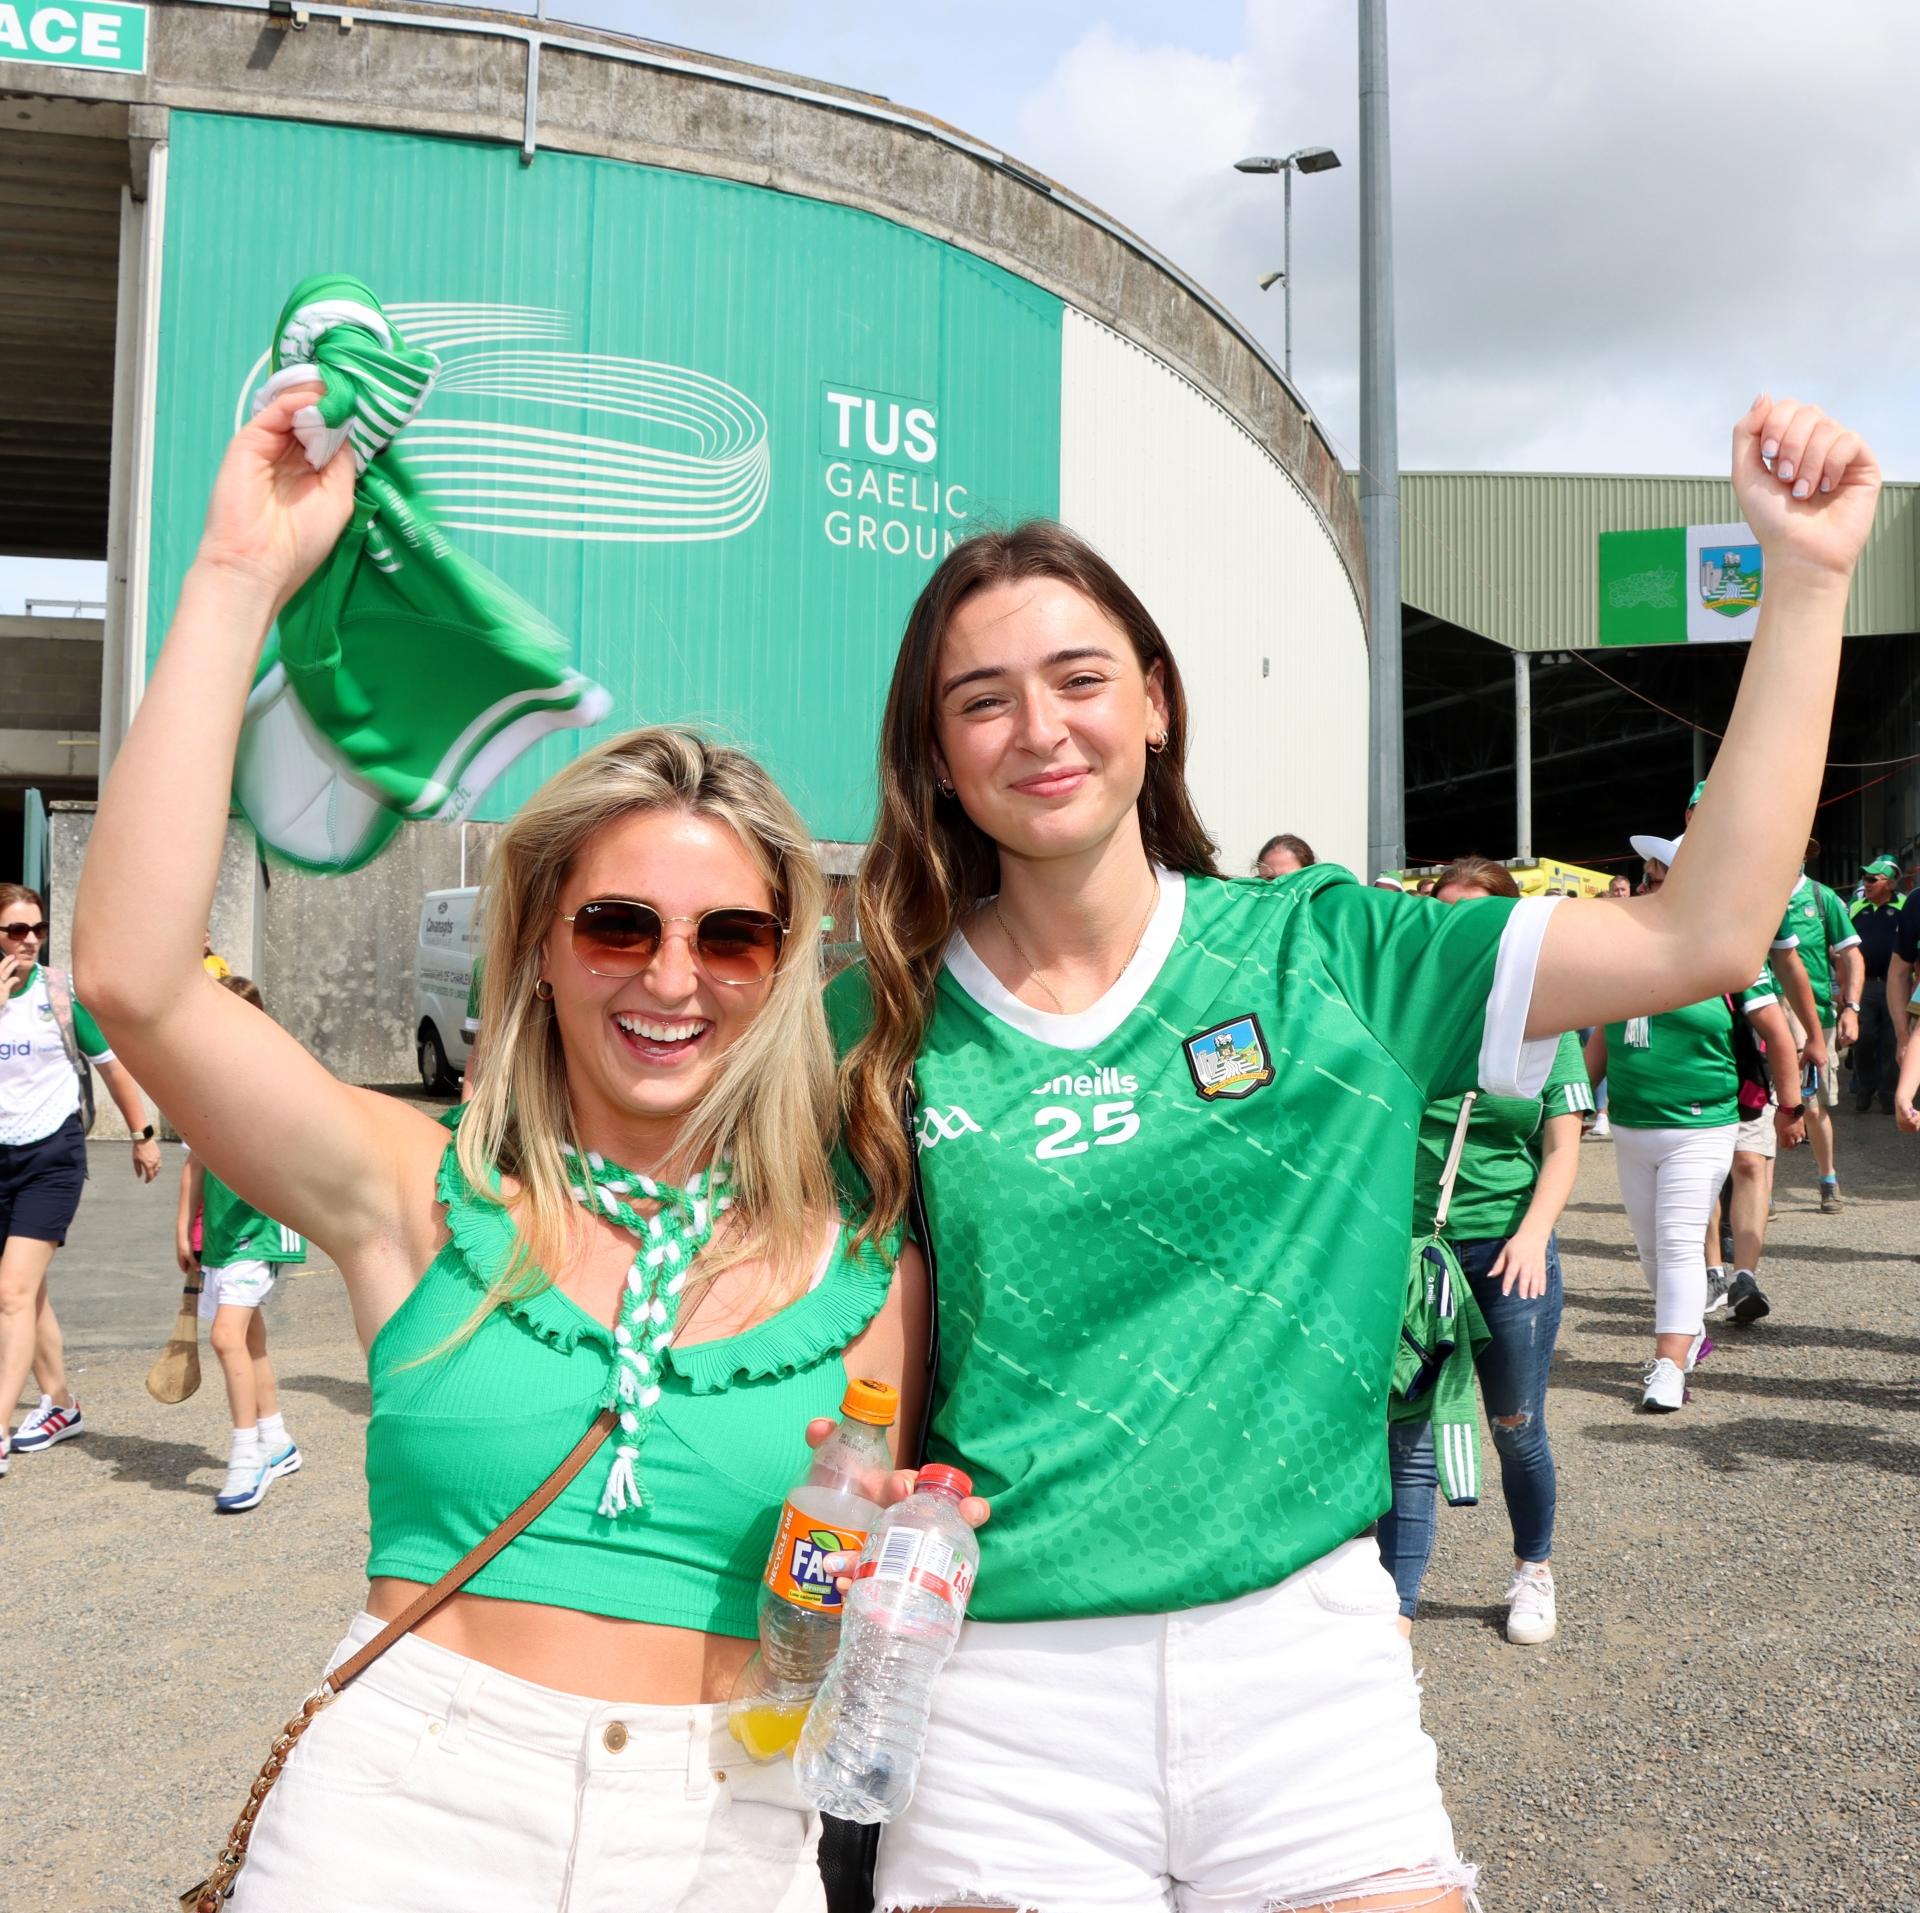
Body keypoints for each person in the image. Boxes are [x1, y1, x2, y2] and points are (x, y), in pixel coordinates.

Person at [829, 393, 1876, 1913]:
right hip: (1006, 1684)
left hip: (1301, 1660)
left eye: (1078, 678)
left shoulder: (1336, 952)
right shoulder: (878, 1013)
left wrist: (1812, 584)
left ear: (1158, 702)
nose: (1039, 728)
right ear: (935, 747)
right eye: (981, 699)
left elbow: (1701, 928)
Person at [71, 385, 944, 1912]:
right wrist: (232, 581)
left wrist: (902, 1559)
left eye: (730, 935)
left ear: (786, 963)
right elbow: (137, 978)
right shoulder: (420, 1191)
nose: (671, 977)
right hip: (405, 1803)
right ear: (541, 944)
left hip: (726, 1825)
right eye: (619, 922)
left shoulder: (865, 1263)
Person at [1374, 857, 1590, 1649]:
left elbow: (1563, 1149)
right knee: (1408, 1429)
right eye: (1445, 914)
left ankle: (1534, 1565)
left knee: (1514, 1422)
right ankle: (1396, 1608)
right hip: (1412, 1257)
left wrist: (1532, 1235)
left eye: (1476, 916)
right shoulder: (1406, 1016)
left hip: (1507, 1250)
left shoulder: (1543, 1019)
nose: (1457, 930)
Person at [1585, 929, 1806, 1409]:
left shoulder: (1730, 957)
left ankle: (1669, 1365)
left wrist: (1792, 1107)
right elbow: (1604, 1034)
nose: (1649, 886)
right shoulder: (1621, 955)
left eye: (1660, 873)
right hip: (1630, 1125)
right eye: (1647, 877)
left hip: (1702, 1125)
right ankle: (1689, 1329)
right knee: (1650, 1251)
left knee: (1679, 1241)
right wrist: (1575, 1100)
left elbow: (1778, 1035)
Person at [0, 884, 162, 1478]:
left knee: (12, 1292)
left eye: (36, 928)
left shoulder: (60, 991)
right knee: (25, 1290)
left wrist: (143, 1134)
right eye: (15, 930)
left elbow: (111, 1066)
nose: (29, 940)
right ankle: (61, 1405)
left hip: (52, 1154)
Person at [176, 974, 308, 1514]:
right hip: (224, 1234)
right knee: (249, 1338)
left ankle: (246, 1454)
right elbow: (195, 1161)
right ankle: (276, 1440)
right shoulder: (199, 1082)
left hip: (264, 1229)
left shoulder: (276, 1080)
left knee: (226, 1335)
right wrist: (184, 1225)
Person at [1700, 970, 1805, 1327]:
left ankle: (1744, 1280)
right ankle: (1713, 1272)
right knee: (1703, 1173)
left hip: (1748, 1077)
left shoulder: (1743, 957)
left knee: (1749, 1164)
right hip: (1693, 1079)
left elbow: (1778, 1028)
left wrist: (1791, 1107)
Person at [1766, 842, 1861, 1208]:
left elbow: (1852, 955)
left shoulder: (1822, 899)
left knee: (1814, 1105)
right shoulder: (1760, 897)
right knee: (1765, 1105)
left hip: (1814, 1020)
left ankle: (1827, 1181)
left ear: (1805, 854)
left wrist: (1850, 1007)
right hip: (1765, 1013)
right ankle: (1765, 1192)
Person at [1855, 856, 1906, 1110]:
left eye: (1873, 879)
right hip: (1864, 986)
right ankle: (1864, 1089)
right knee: (1863, 1038)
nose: (1867, 883)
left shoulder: (1906, 907)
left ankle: (1888, 1095)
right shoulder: (1856, 908)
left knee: (1892, 1040)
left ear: (1890, 883)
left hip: (1897, 987)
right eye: (1865, 879)